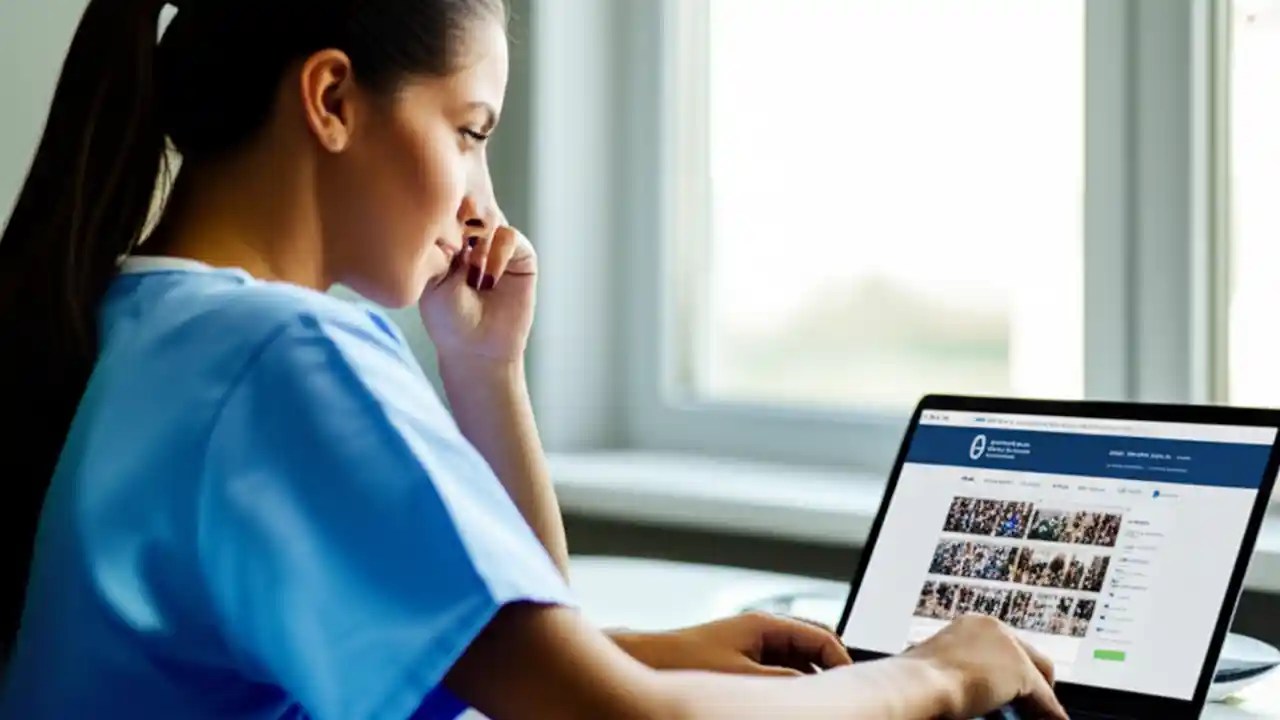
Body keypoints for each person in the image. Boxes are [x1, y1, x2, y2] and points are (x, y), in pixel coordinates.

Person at [0, 1, 1069, 718]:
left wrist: (482, 368)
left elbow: (512, 642)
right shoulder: (284, 352)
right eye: (468, 130)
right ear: (329, 101)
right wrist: (931, 675)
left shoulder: (149, 314)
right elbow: (603, 718)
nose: (482, 201)